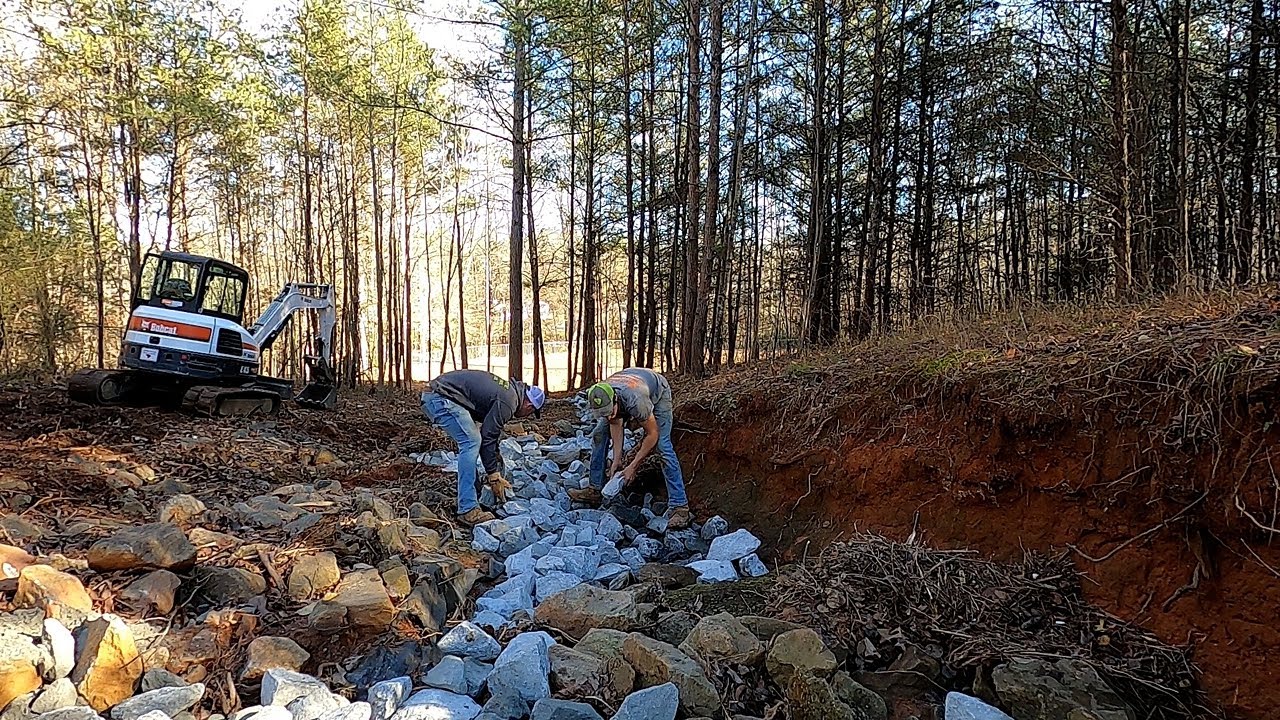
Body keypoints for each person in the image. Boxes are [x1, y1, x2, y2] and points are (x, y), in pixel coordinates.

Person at [568, 367, 691, 529]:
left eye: (610, 411)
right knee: (599, 433)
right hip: (627, 387)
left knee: (663, 446)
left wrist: (633, 466)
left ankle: (680, 506)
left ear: (615, 400)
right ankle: (595, 489)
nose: (608, 416)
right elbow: (615, 422)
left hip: (656, 390)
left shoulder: (636, 400)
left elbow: (652, 434)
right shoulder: (601, 393)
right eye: (604, 413)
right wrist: (616, 461)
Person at [422, 369, 546, 526]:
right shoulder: (509, 402)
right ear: (529, 405)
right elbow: (488, 437)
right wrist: (493, 475)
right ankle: (467, 509)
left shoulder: (508, 392)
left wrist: (495, 463)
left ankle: (473, 492)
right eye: (531, 412)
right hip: (440, 398)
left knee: (472, 440)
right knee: (471, 442)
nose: (527, 415)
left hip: (440, 394)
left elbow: (491, 433)